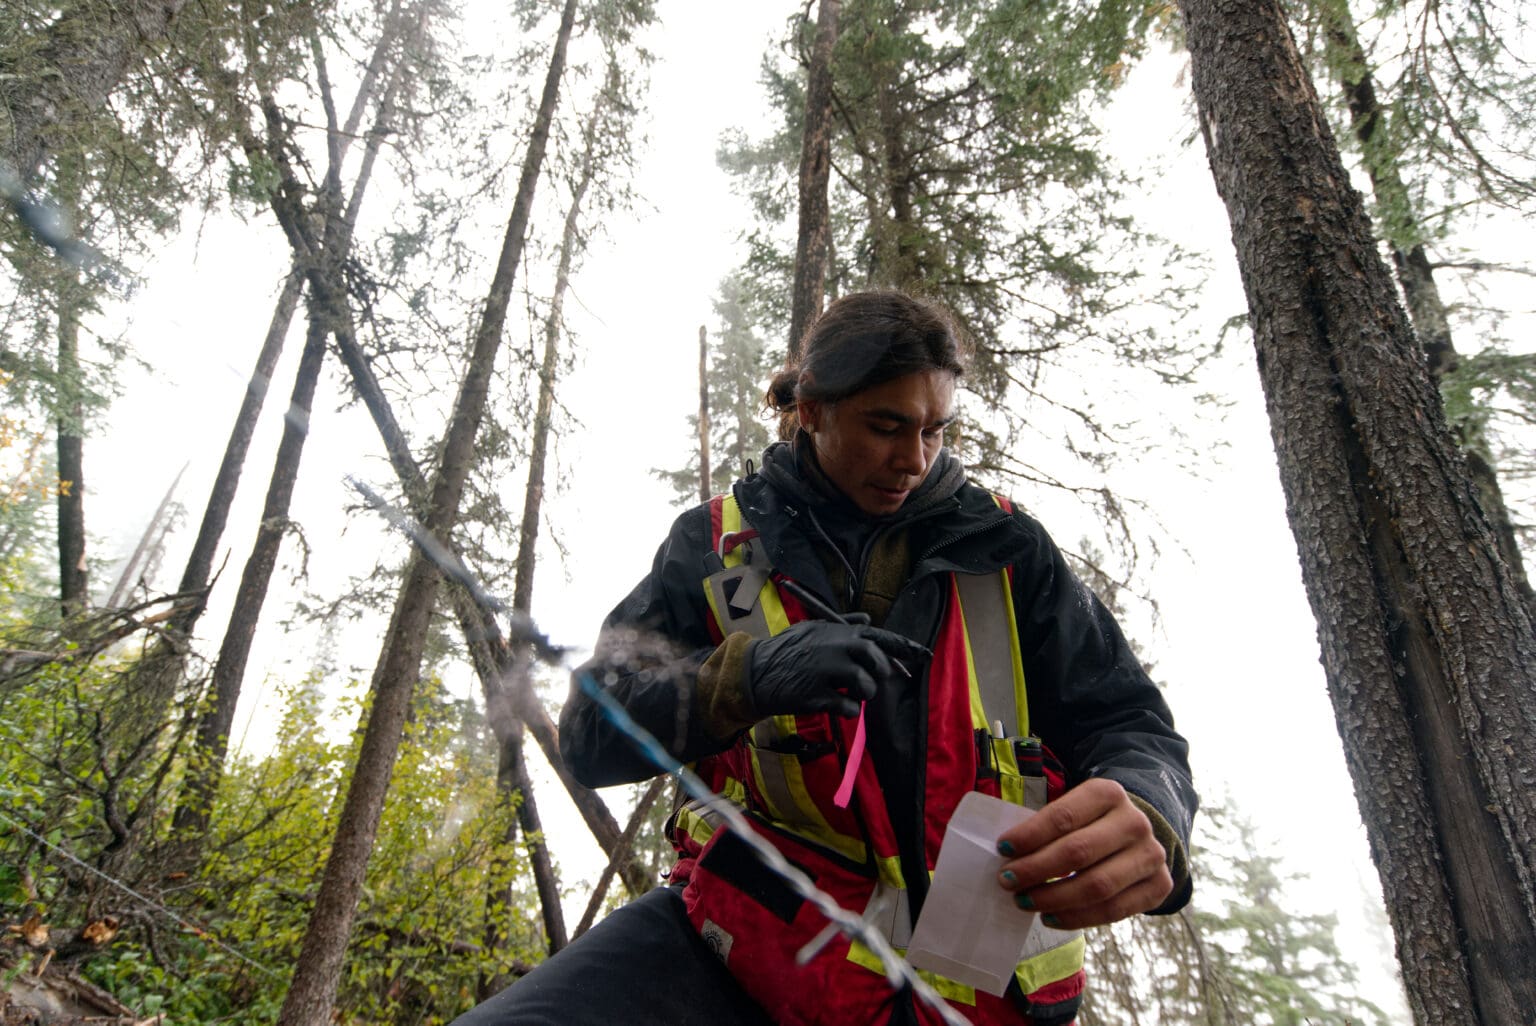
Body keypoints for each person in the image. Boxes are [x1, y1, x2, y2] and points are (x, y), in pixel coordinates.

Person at [455, 290, 1196, 1026]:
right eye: (886, 426)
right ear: (811, 409)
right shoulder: (715, 547)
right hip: (744, 957)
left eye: (936, 430)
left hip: (981, 997)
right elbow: (590, 738)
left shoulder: (1007, 548)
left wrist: (1151, 807)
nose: (913, 459)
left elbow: (1130, 722)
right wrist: (741, 680)